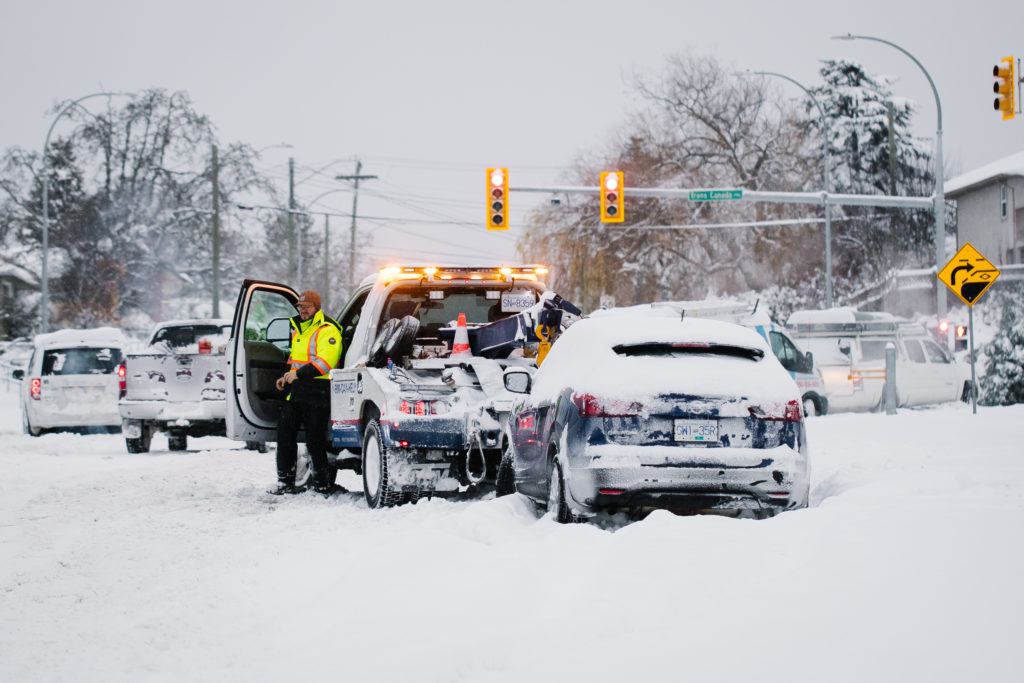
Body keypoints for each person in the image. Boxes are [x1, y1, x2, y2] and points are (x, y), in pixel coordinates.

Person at [267, 290, 343, 495]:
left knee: (315, 440)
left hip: (318, 390)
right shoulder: (299, 329)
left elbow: (325, 362)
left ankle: (322, 484)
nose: (302, 311)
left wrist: (298, 375)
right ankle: (285, 482)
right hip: (297, 390)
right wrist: (286, 375)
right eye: (300, 308)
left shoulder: (328, 329)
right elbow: (295, 359)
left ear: (316, 307)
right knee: (284, 434)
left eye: (306, 307)